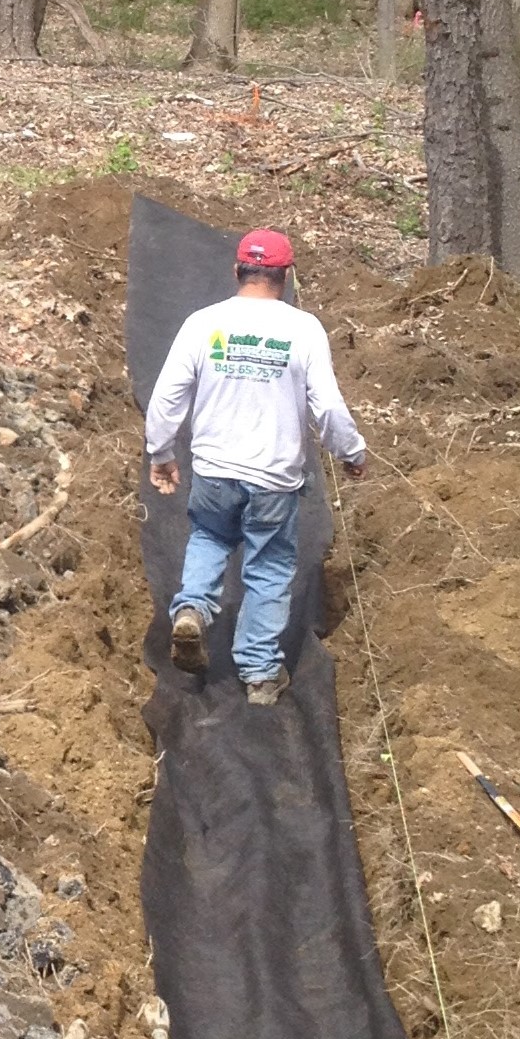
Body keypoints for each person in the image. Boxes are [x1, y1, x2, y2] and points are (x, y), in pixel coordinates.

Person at [143, 228, 367, 707]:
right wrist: (350, 451)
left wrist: (161, 454)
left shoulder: (202, 323)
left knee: (210, 537)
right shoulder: (303, 329)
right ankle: (261, 675)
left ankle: (192, 612)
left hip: (214, 470)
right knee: (267, 569)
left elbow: (165, 398)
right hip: (274, 478)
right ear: (285, 275)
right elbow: (327, 406)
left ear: (237, 270)